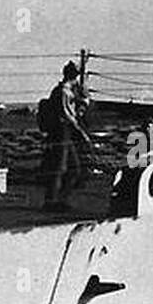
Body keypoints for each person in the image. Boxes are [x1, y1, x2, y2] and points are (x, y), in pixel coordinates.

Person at [41, 61, 92, 212]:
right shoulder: (63, 92)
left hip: (66, 132)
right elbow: (67, 115)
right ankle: (51, 201)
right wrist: (81, 133)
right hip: (61, 131)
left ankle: (59, 199)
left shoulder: (68, 91)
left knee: (73, 168)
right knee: (60, 168)